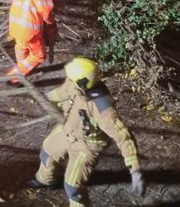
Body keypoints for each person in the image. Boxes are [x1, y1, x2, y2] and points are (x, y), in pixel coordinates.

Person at [29, 57, 145, 206]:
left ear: (82, 82)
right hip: (68, 130)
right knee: (47, 153)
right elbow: (62, 92)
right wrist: (44, 97)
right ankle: (45, 180)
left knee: (72, 187)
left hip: (86, 145)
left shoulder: (102, 108)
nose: (68, 80)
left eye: (71, 78)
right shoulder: (75, 83)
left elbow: (123, 137)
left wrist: (135, 170)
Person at [2, 0, 55, 82]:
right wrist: (51, 23)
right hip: (30, 30)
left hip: (15, 26)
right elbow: (46, 12)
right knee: (39, 56)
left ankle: (23, 70)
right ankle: (13, 78)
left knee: (21, 47)